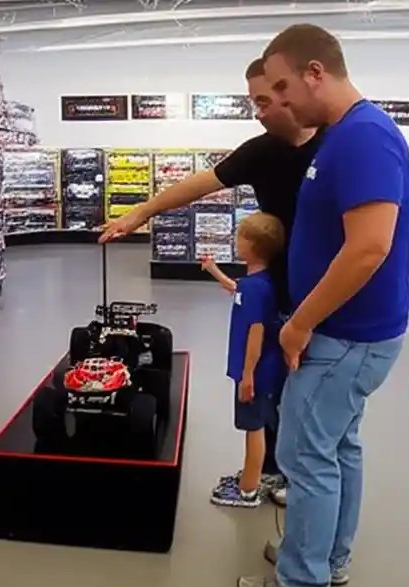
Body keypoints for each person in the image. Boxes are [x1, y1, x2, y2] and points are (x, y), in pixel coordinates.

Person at [236, 24, 409, 587]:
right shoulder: (343, 136)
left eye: (285, 85)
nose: (279, 100)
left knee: (306, 453)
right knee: (338, 446)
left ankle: (302, 579)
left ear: (317, 72)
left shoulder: (364, 137)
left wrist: (299, 323)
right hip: (350, 335)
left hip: (344, 336)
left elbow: (368, 248)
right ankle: (326, 556)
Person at [100, 57, 322, 502]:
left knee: (313, 397)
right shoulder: (261, 150)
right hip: (280, 290)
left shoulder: (338, 144)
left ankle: (304, 483)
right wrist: (141, 212)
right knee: (273, 386)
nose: (258, 110)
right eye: (253, 101)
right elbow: (201, 184)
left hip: (325, 294)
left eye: (265, 99)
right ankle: (275, 472)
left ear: (294, 88)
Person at [200, 213, 288, 508]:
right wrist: (214, 271)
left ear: (250, 245)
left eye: (240, 237)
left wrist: (247, 374)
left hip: (255, 371)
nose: (236, 241)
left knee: (253, 427)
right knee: (268, 420)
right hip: (270, 368)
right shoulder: (261, 283)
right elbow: (238, 290)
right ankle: (270, 472)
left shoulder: (254, 288)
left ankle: (248, 489)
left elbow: (256, 332)